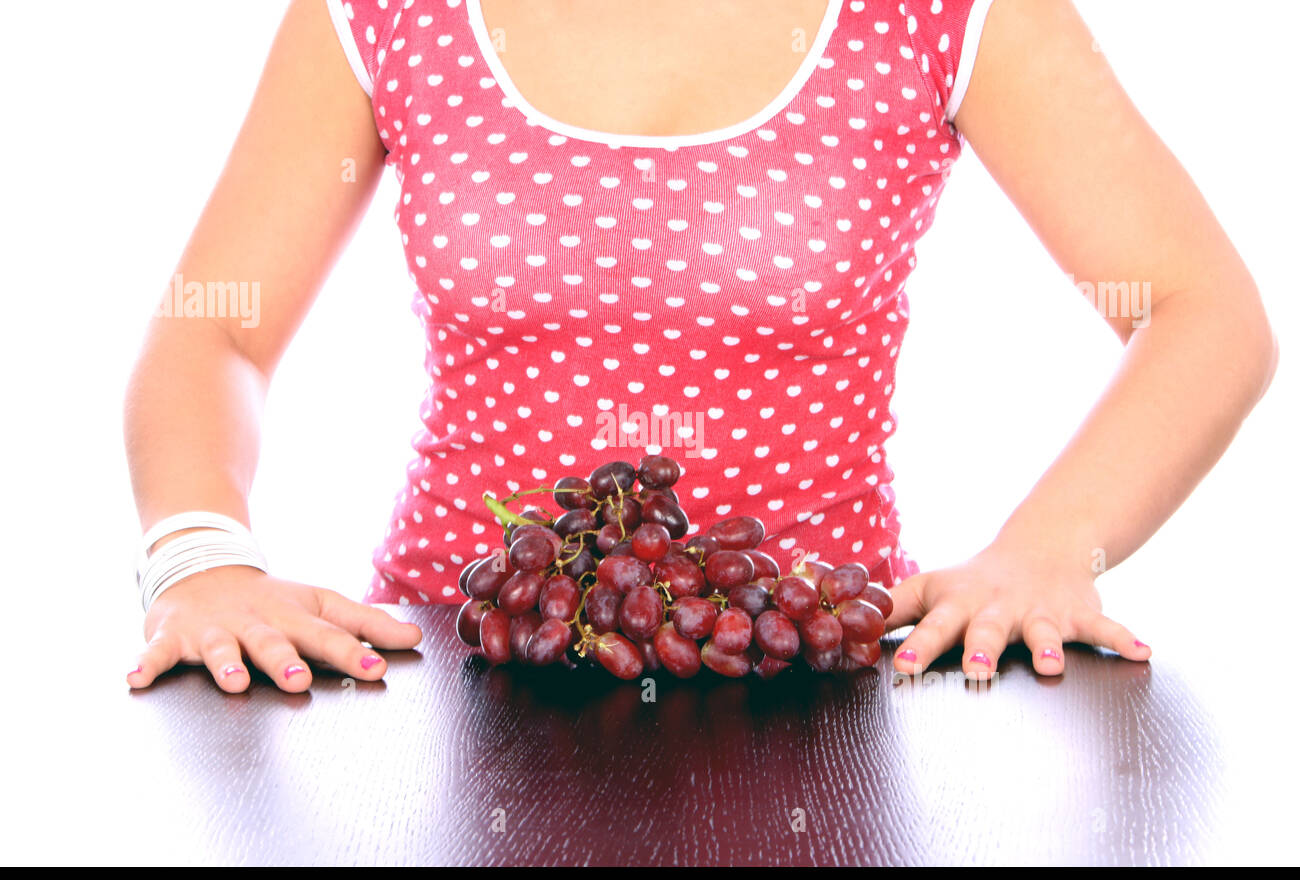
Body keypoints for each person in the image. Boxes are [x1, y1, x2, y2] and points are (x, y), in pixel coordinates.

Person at [124, 0, 1277, 693]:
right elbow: (215, 325)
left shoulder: (942, 13)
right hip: (448, 680)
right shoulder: (386, 12)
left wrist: (1046, 552)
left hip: (818, 693)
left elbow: (1201, 310)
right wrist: (201, 560)